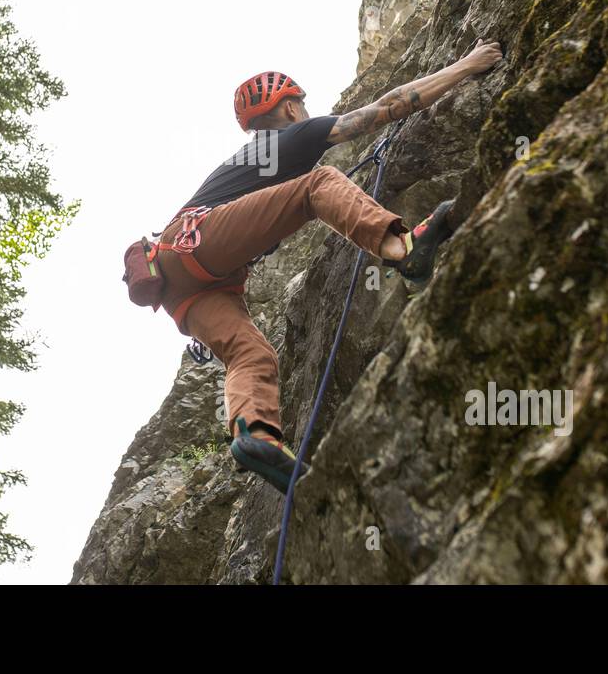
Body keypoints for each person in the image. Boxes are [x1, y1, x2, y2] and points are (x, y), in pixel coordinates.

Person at [154, 40, 503, 494]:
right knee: (317, 184)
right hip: (198, 242)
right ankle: (402, 249)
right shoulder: (291, 136)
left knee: (251, 354)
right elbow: (388, 107)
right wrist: (467, 64)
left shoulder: (252, 160)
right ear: (293, 109)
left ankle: (254, 435)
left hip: (183, 283)